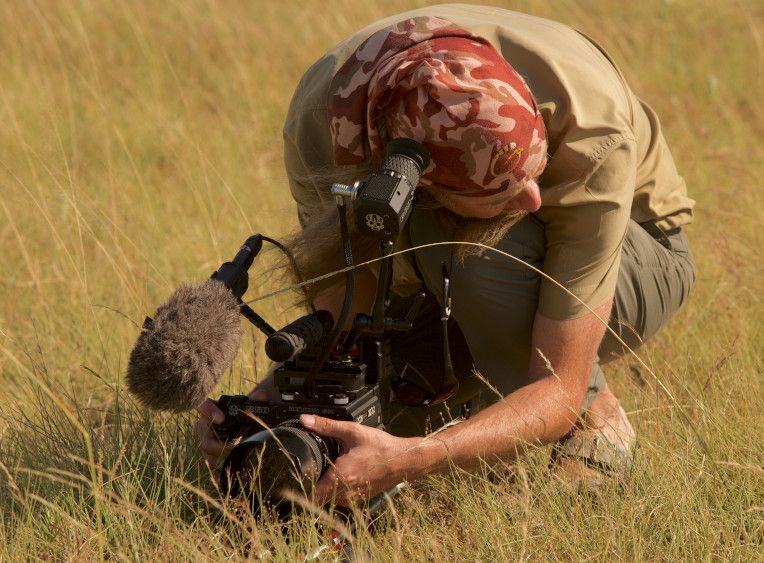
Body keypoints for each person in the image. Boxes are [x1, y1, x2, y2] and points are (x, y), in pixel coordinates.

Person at [195, 4, 695, 506]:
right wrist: (292, 397)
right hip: (439, 252)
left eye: (534, 173)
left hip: (643, 249)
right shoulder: (323, 122)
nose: (533, 199)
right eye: (504, 191)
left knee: (475, 262)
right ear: (423, 184)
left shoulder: (590, 130)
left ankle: (599, 426)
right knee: (373, 399)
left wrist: (411, 459)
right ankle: (475, 375)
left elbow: (558, 386)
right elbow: (349, 294)